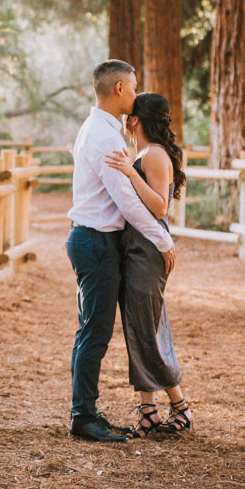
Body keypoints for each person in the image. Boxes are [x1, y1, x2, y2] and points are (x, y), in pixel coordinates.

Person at [66, 60, 176, 444]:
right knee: (93, 333)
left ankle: (89, 412)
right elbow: (129, 204)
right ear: (118, 90)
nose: (135, 94)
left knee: (94, 331)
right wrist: (163, 240)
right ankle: (83, 418)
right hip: (95, 241)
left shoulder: (98, 129)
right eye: (132, 87)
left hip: (96, 240)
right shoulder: (105, 137)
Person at [104, 92, 192, 438]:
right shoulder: (144, 153)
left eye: (128, 115)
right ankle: (149, 411)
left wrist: (129, 172)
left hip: (147, 252)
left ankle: (180, 408)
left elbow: (159, 208)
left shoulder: (153, 155)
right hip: (135, 249)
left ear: (135, 121)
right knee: (142, 328)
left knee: (146, 331)